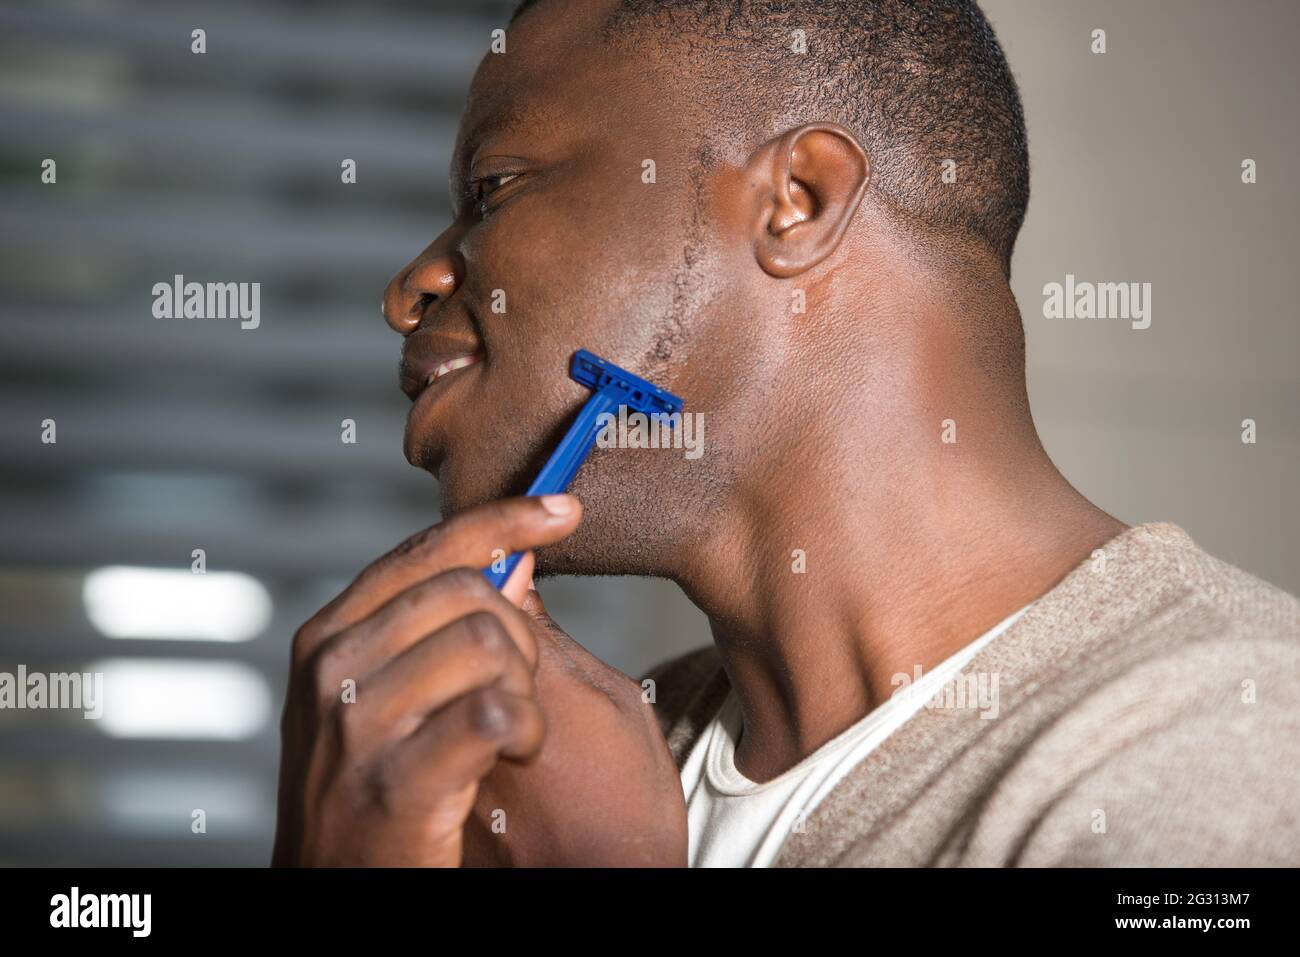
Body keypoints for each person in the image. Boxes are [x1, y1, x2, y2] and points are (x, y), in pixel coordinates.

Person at [272, 0, 1300, 867]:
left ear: (796, 203)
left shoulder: (1225, 759)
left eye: (492, 190)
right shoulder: (548, 766)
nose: (408, 289)